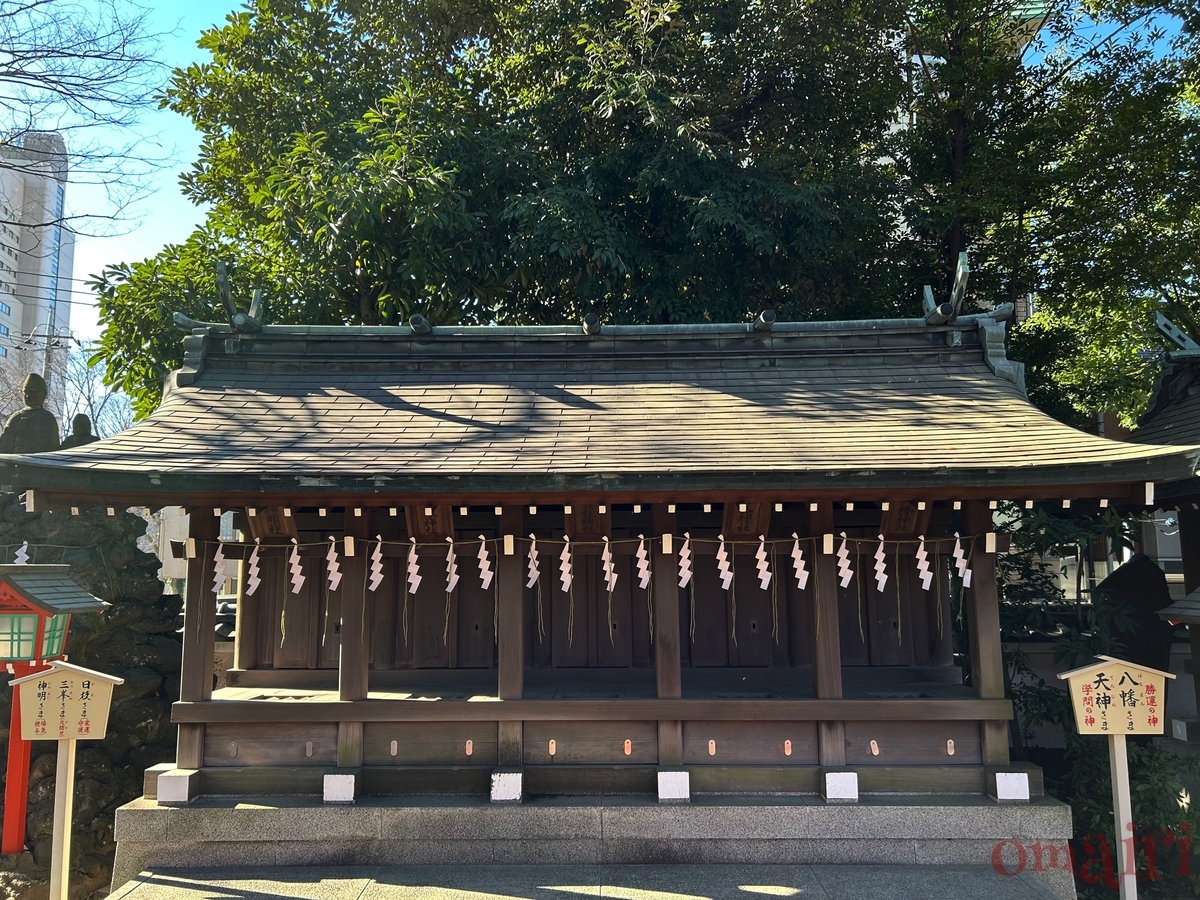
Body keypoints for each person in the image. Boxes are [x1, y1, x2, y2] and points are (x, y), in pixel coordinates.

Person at [0, 374, 59, 453]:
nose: (27, 396)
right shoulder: (15, 417)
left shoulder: (47, 418)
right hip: (14, 462)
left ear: (43, 395)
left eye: (32, 392)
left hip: (37, 462)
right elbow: (4, 447)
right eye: (25, 392)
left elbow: (52, 448)